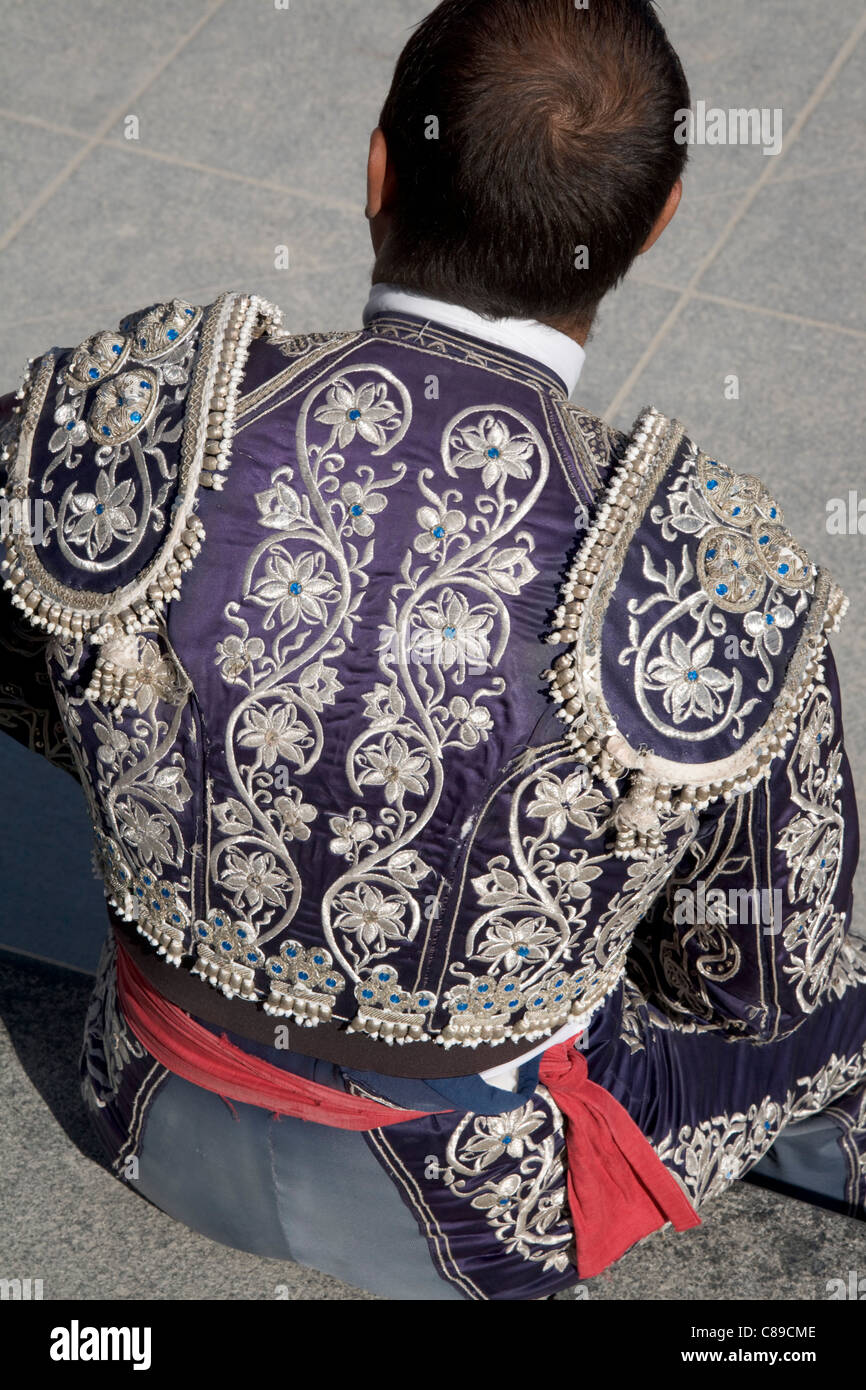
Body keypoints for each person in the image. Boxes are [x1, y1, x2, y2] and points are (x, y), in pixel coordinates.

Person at [1, 0, 864, 1302]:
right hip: (477, 1222)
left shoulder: (128, 412)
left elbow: (36, 680)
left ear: (376, 170)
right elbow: (759, 977)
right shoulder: (706, 577)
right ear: (660, 217)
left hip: (143, 1100)